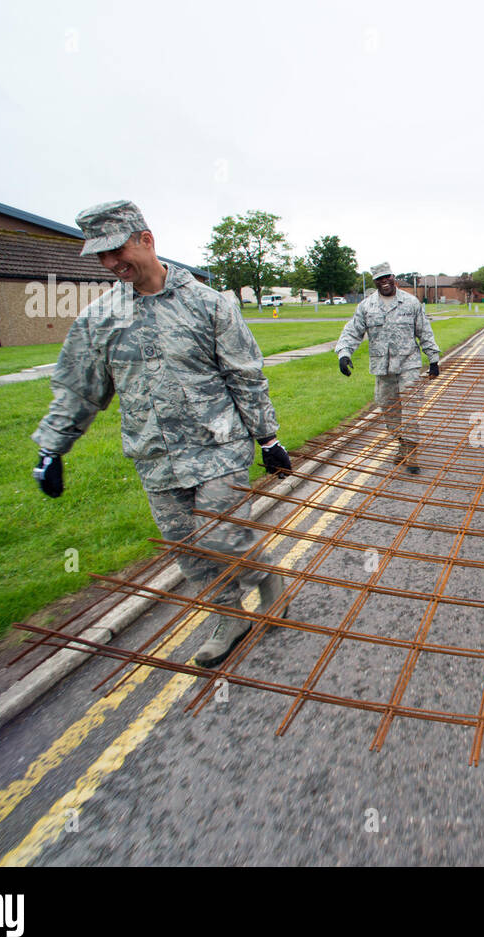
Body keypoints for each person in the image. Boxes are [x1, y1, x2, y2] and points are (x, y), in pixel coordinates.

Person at [31, 200, 293, 669]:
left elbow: (245, 375)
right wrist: (52, 447)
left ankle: (267, 576)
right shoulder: (100, 319)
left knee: (221, 537)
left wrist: (267, 438)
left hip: (217, 445)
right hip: (154, 454)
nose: (110, 264)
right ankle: (228, 618)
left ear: (146, 240)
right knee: (189, 554)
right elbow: (78, 388)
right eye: (101, 257)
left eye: (116, 251)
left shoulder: (208, 304)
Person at [335, 262, 441, 474]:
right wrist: (344, 354)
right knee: (389, 409)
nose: (384, 282)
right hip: (382, 367)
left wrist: (433, 359)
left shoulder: (410, 302)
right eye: (379, 279)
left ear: (394, 277)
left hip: (408, 363)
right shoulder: (367, 306)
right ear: (375, 282)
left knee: (410, 408)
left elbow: (424, 331)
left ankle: (411, 453)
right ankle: (403, 443)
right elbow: (352, 331)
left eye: (387, 277)